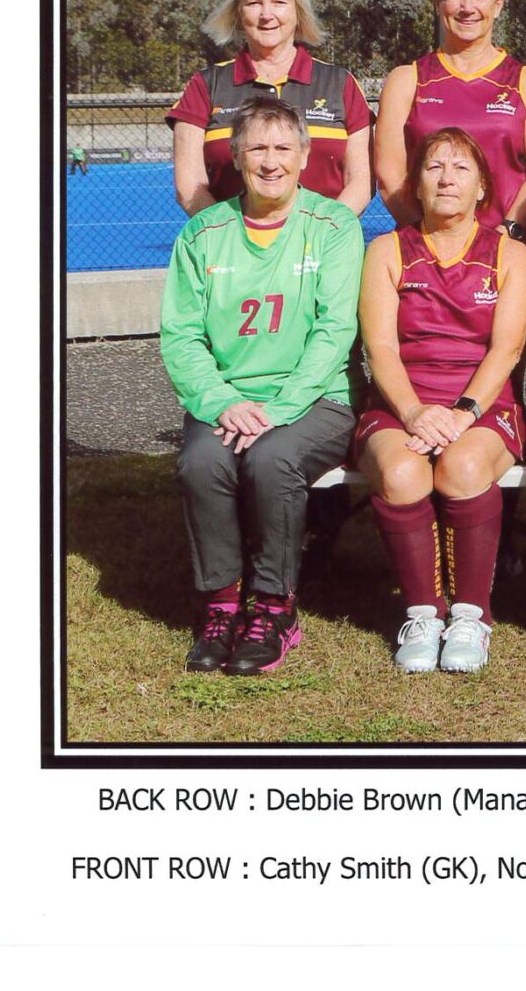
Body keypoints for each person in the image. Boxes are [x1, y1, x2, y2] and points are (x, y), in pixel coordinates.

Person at [159, 97, 362, 676]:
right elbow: (181, 336)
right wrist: (224, 401)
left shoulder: (334, 227)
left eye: (282, 148)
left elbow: (334, 329)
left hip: (315, 398)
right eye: (257, 148)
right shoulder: (202, 234)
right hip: (228, 397)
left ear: (304, 156)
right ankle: (221, 605)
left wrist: (280, 407)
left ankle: (275, 607)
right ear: (236, 156)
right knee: (203, 462)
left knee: (271, 461)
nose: (270, 162)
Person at [353, 128, 526, 673]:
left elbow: (508, 347)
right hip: (401, 401)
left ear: (482, 187)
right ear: (416, 183)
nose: (447, 178)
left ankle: (472, 615)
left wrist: (463, 413)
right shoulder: (385, 250)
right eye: (434, 167)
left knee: (464, 464)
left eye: (461, 168)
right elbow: (379, 348)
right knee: (403, 474)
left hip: (481, 405)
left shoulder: (510, 252)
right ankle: (423, 613)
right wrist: (412, 412)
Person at [374, 0, 526, 241]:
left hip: (507, 247)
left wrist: (504, 234)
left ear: (498, 5)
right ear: (437, 3)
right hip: (425, 251)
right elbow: (389, 175)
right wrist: (434, 239)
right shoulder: (406, 80)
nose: (467, 7)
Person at [168, 0, 372, 215]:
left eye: (279, 2)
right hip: (235, 250)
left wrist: (325, 232)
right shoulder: (205, 85)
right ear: (238, 14)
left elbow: (361, 182)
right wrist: (229, 236)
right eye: (254, 3)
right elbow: (189, 187)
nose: (266, 15)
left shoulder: (340, 83)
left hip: (323, 248)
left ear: (298, 11)